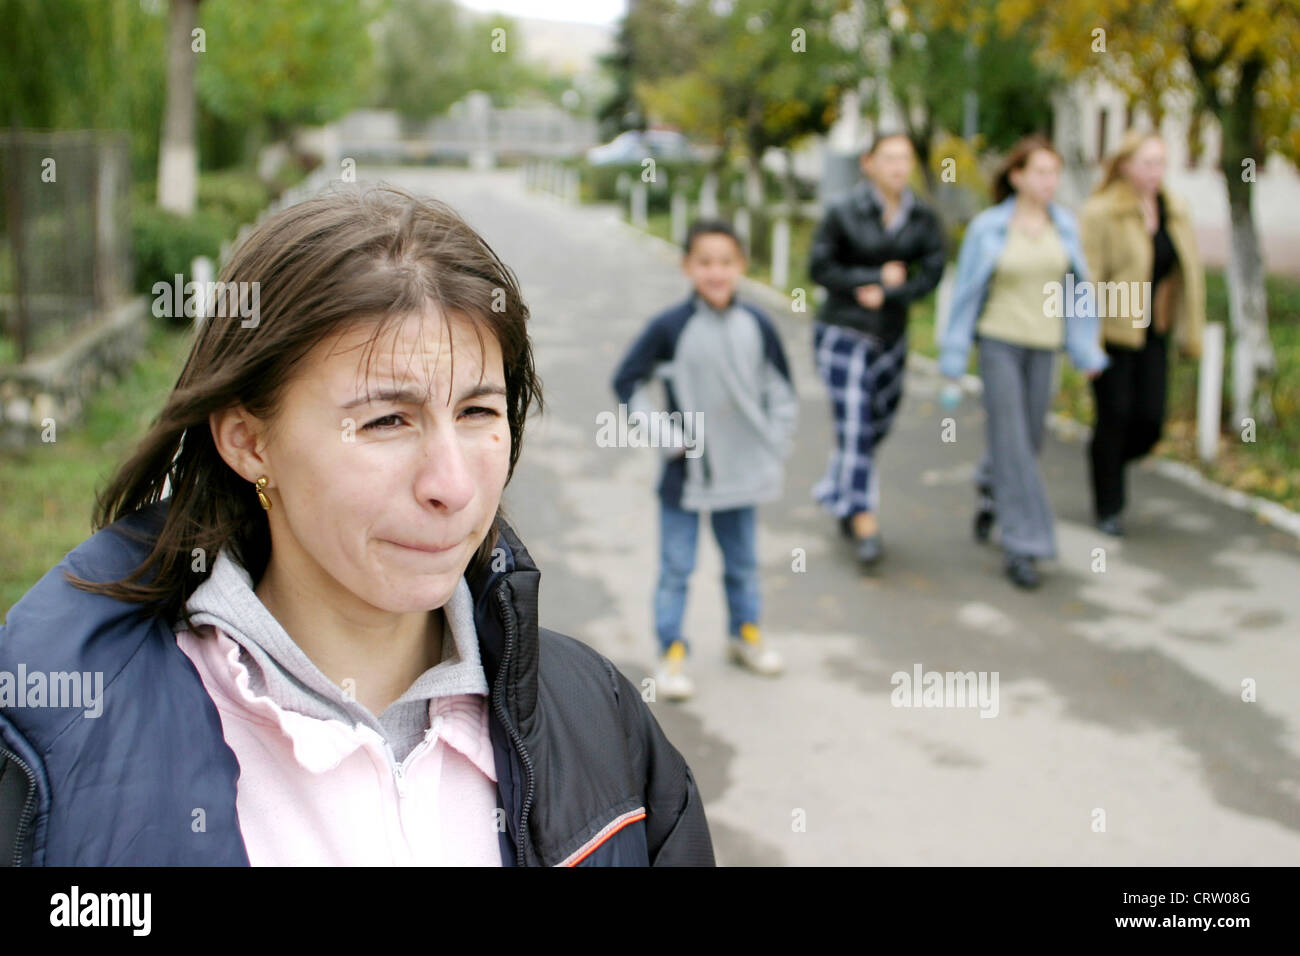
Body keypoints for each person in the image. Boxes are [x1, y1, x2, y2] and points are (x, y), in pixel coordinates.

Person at [0, 184, 714, 866]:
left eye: (478, 412)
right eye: (385, 420)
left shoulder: (599, 721)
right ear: (248, 442)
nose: (452, 485)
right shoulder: (60, 747)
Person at [611, 219, 798, 702]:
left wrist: (773, 443)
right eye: (705, 262)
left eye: (725, 261)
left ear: (741, 266)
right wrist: (667, 436)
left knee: (743, 564)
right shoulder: (670, 328)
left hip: (743, 473)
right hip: (686, 475)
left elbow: (782, 390)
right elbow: (626, 383)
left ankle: (746, 634)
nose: (716, 272)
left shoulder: (758, 325)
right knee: (677, 567)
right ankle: (672, 650)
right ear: (688, 266)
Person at [938, 135, 1109, 589]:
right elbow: (965, 297)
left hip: (1044, 346)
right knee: (1013, 440)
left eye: (1054, 172)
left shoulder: (1065, 228)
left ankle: (992, 487)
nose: (1049, 181)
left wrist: (1085, 349)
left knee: (1027, 441)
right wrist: (954, 358)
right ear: (1016, 176)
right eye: (1040, 171)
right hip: (999, 344)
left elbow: (1078, 294)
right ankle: (1024, 544)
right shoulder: (988, 229)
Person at [808, 131, 946, 568]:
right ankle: (863, 520)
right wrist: (868, 279)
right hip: (844, 331)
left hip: (892, 334)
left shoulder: (922, 217)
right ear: (868, 163)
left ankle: (840, 490)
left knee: (876, 424)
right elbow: (819, 267)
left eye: (905, 159)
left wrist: (894, 292)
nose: (898, 167)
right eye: (889, 158)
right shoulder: (843, 210)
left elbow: (934, 270)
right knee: (856, 426)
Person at [1080, 129, 1205, 536]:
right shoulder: (1102, 211)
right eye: (1148, 163)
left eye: (1161, 163)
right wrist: (1086, 344)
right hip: (1113, 331)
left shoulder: (1174, 209)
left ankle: (1106, 461)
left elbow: (1189, 273)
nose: (1157, 172)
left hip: (1156, 328)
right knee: (1114, 416)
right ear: (1125, 165)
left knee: (1150, 421)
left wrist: (1192, 329)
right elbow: (1087, 279)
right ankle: (1109, 506)